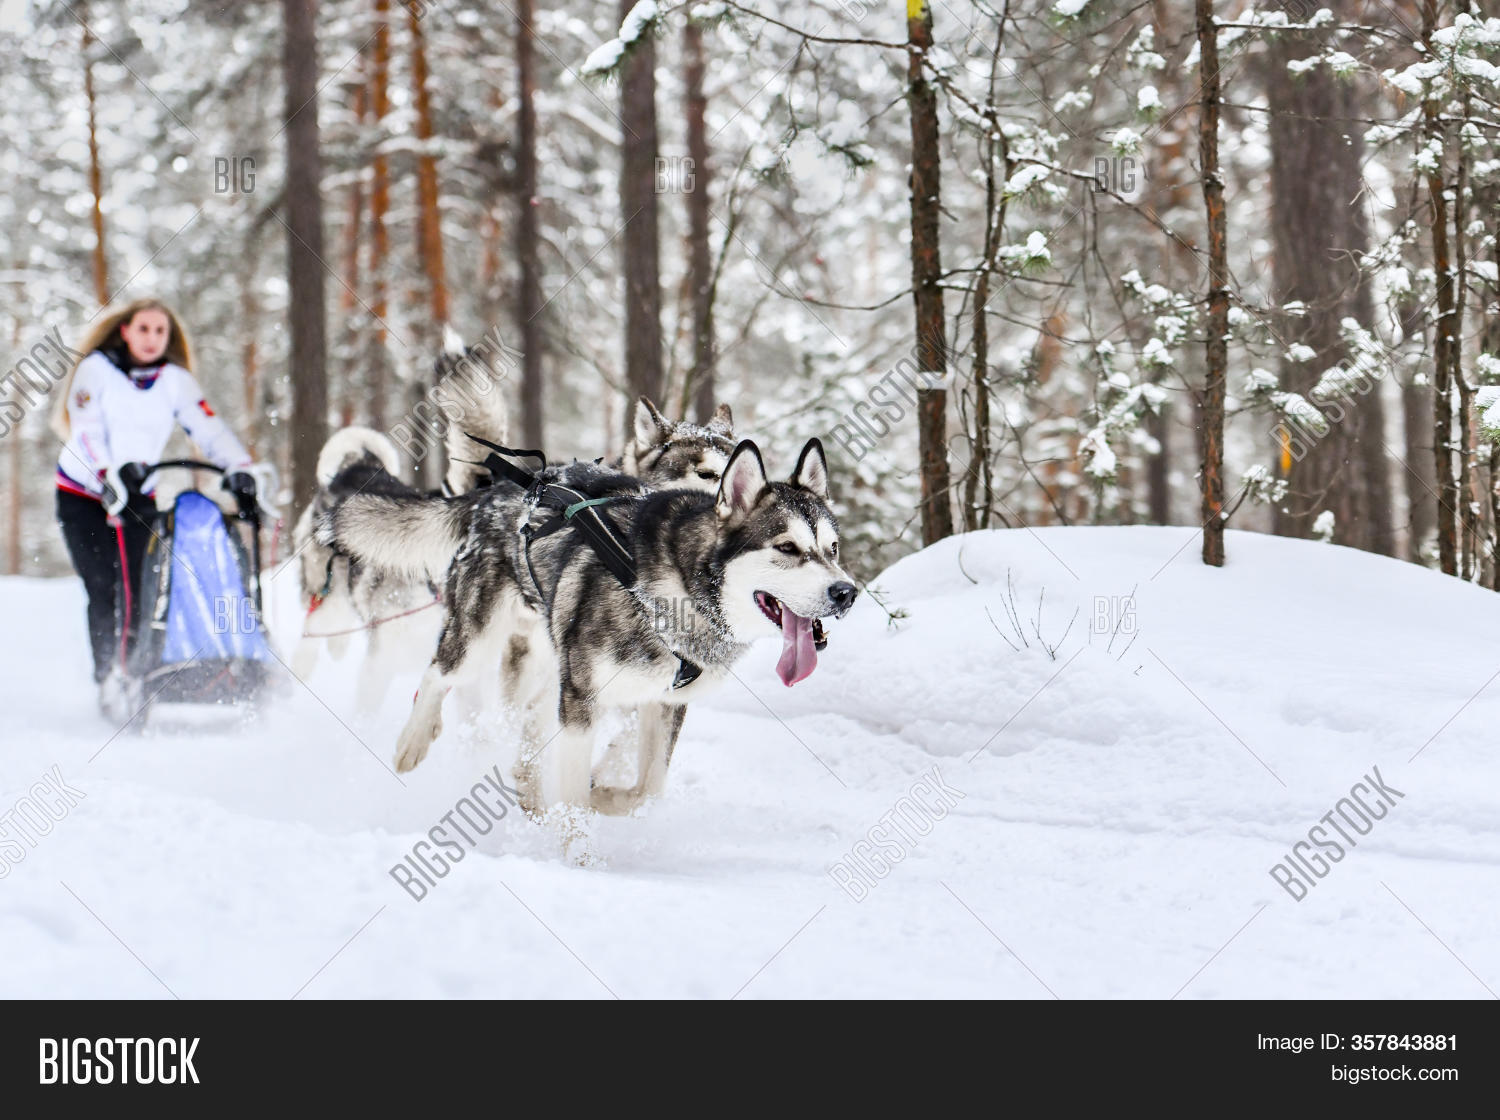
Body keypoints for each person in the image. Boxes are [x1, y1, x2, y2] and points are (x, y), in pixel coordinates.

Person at [49, 298, 258, 717]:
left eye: (160, 331)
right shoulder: (96, 370)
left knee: (141, 589)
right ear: (125, 331)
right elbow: (86, 432)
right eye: (143, 329)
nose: (151, 338)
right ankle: (109, 677)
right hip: (84, 493)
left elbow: (209, 428)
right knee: (105, 587)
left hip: (137, 493)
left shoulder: (175, 381)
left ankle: (139, 672)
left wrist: (239, 468)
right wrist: (109, 473)